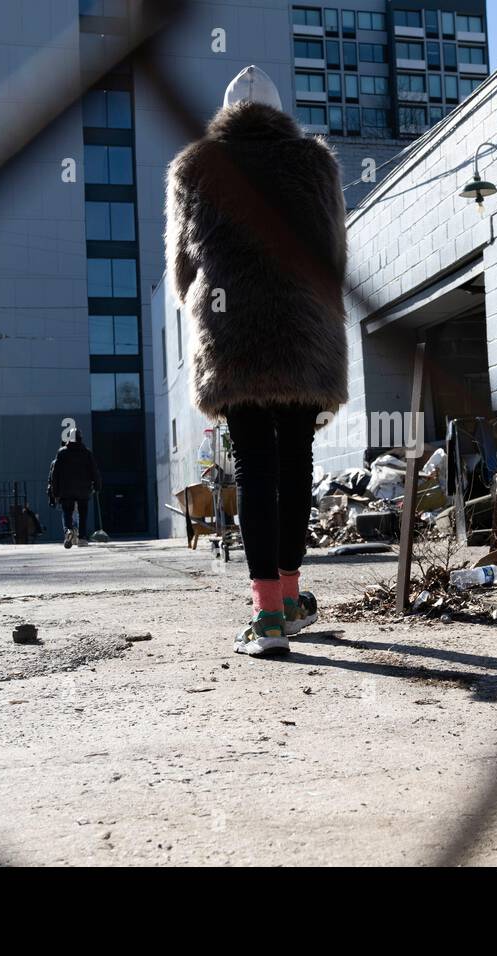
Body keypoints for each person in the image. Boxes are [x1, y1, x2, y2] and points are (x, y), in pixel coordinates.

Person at [166, 65, 348, 657]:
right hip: (303, 331)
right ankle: (291, 598)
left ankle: (267, 616)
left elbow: (182, 269)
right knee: (297, 463)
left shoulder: (196, 166)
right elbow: (336, 256)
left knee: (254, 471)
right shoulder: (316, 163)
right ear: (279, 110)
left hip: (234, 335)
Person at [47, 428, 102, 549]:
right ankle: (82, 538)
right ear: (81, 438)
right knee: (83, 514)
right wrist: (97, 486)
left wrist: (55, 492)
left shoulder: (62, 453)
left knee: (67, 512)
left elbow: (55, 474)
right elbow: (94, 471)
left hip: (66, 490)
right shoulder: (87, 453)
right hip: (83, 489)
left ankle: (68, 531)